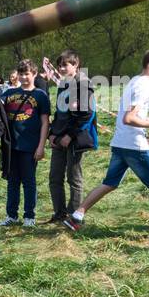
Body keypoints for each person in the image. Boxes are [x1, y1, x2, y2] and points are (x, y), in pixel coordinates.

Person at [65, 50, 149, 233]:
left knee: (109, 183)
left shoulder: (136, 80)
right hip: (134, 145)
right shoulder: (143, 86)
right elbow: (129, 118)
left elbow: (130, 115)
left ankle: (77, 215)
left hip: (120, 142)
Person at [0, 59, 51, 227]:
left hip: (30, 146)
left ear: (34, 74)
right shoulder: (9, 93)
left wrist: (41, 146)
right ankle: (11, 215)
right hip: (11, 146)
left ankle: (29, 216)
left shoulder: (40, 95)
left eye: (27, 74)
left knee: (29, 181)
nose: (23, 77)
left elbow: (45, 122)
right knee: (12, 182)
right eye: (21, 74)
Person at [46, 50, 97, 223]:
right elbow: (59, 112)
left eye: (65, 65)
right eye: (59, 65)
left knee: (73, 178)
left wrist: (70, 135)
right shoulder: (63, 83)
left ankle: (73, 216)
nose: (61, 68)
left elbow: (87, 114)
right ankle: (59, 214)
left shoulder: (83, 84)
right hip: (58, 137)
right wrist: (52, 133)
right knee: (54, 178)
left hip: (75, 139)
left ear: (75, 65)